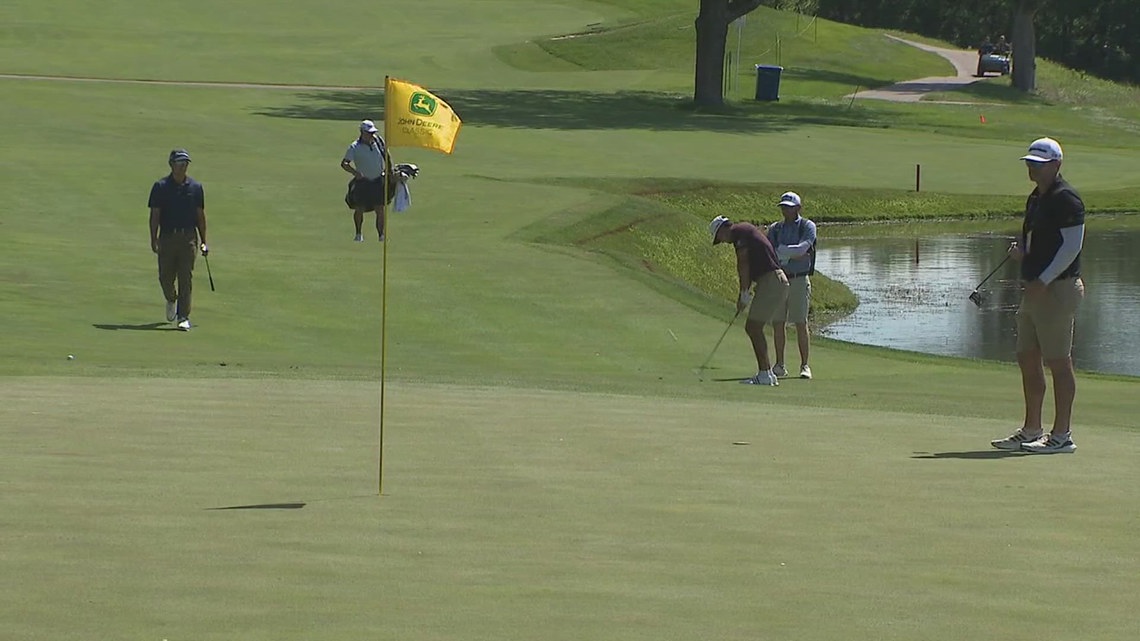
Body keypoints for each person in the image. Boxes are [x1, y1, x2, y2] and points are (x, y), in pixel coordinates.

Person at [991, 137, 1085, 454]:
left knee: (1058, 360)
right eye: (1031, 163)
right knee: (1027, 357)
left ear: (1057, 165)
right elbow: (1039, 240)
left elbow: (1072, 248)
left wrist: (1043, 279)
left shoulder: (1067, 199)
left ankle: (1062, 436)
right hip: (1035, 287)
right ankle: (1031, 428)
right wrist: (1024, 254)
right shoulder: (1036, 198)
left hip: (1057, 289)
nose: (1033, 169)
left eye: (1040, 164)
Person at [710, 215, 790, 386]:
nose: (722, 241)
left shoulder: (740, 233)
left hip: (772, 281)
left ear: (724, 228)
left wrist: (743, 294)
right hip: (773, 281)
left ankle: (764, 375)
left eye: (720, 237)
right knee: (754, 327)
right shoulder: (744, 230)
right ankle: (767, 374)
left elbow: (743, 265)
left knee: (753, 327)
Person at [148, 149, 207, 331]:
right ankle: (171, 298)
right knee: (165, 276)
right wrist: (153, 238)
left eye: (186, 163)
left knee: (185, 278)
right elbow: (155, 215)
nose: (183, 166)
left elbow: (200, 216)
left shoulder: (195, 188)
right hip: (167, 237)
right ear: (172, 165)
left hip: (188, 238)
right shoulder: (161, 187)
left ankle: (183, 316)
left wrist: (204, 241)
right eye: (180, 163)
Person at [767, 191, 817, 380]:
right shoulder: (775, 228)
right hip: (778, 280)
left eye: (789, 207)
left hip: (798, 278)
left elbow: (804, 248)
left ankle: (805, 365)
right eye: (783, 207)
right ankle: (779, 365)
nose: (785, 211)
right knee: (778, 323)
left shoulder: (807, 226)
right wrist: (789, 253)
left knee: (800, 322)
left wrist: (783, 251)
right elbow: (769, 252)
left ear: (798, 208)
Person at [341, 119, 389, 242]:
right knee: (359, 209)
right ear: (362, 132)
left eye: (373, 132)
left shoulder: (378, 142)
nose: (371, 135)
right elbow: (345, 163)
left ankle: (381, 235)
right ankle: (358, 234)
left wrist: (387, 171)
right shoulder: (354, 147)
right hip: (363, 181)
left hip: (378, 180)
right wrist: (355, 173)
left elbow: (386, 156)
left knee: (380, 209)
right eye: (369, 133)